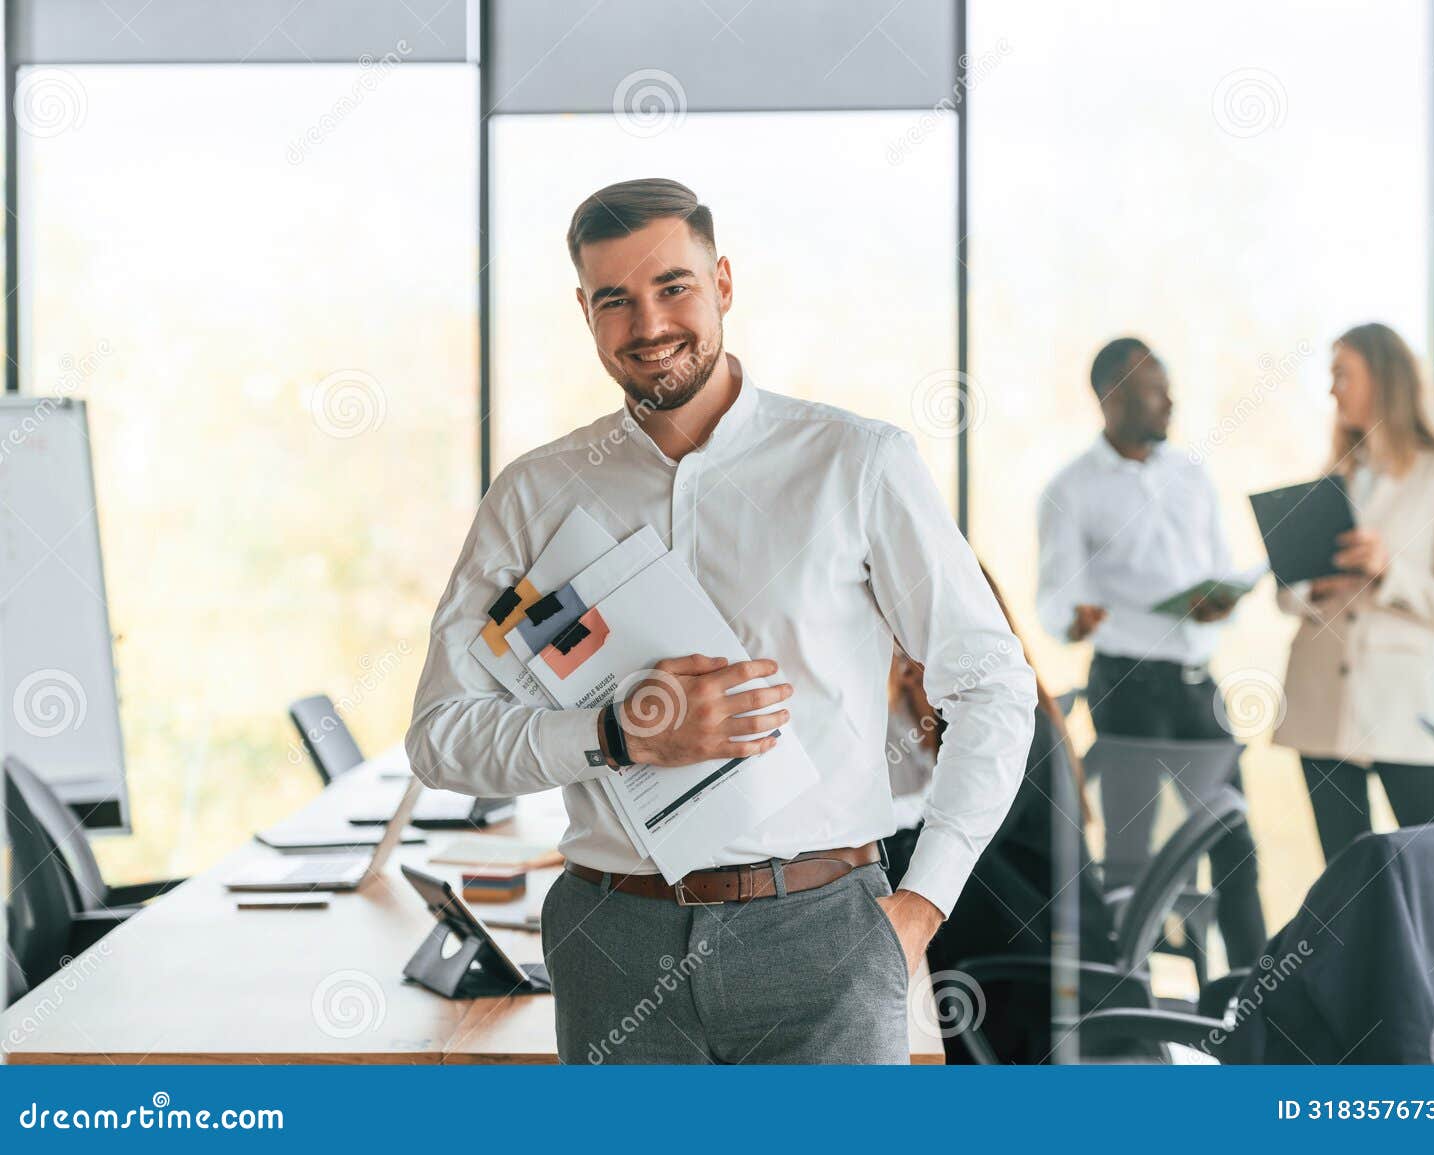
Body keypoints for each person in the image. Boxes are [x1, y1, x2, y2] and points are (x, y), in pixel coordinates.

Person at [405, 178, 1036, 1064]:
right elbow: (441, 737)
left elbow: (994, 685)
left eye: (673, 287)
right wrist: (616, 735)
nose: (649, 323)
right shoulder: (536, 494)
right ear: (584, 311)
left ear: (724, 283)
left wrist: (923, 902)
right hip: (610, 939)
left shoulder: (856, 463)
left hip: (824, 935)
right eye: (615, 300)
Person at [1035, 336, 1266, 967]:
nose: (1170, 401)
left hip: (1198, 685)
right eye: (1153, 389)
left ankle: (1256, 1001)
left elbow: (1216, 564)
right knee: (1133, 859)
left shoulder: (1192, 475)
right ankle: (1123, 1000)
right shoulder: (1072, 488)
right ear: (1112, 396)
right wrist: (1073, 619)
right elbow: (1054, 598)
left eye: (1167, 387)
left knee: (1235, 847)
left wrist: (1224, 598)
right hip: (1127, 687)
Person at [1275, 322, 1434, 864]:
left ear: (1383, 380)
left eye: (1342, 374)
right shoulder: (1329, 479)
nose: (1332, 389)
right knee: (1346, 880)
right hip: (1320, 703)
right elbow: (1285, 595)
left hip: (1401, 708)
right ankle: (1365, 955)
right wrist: (1316, 583)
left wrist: (1388, 571)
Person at [884, 565, 1109, 1063]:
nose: (905, 675)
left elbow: (935, 855)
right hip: (1018, 969)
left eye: (909, 658)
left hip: (1033, 990)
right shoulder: (1001, 721)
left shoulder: (1010, 737)